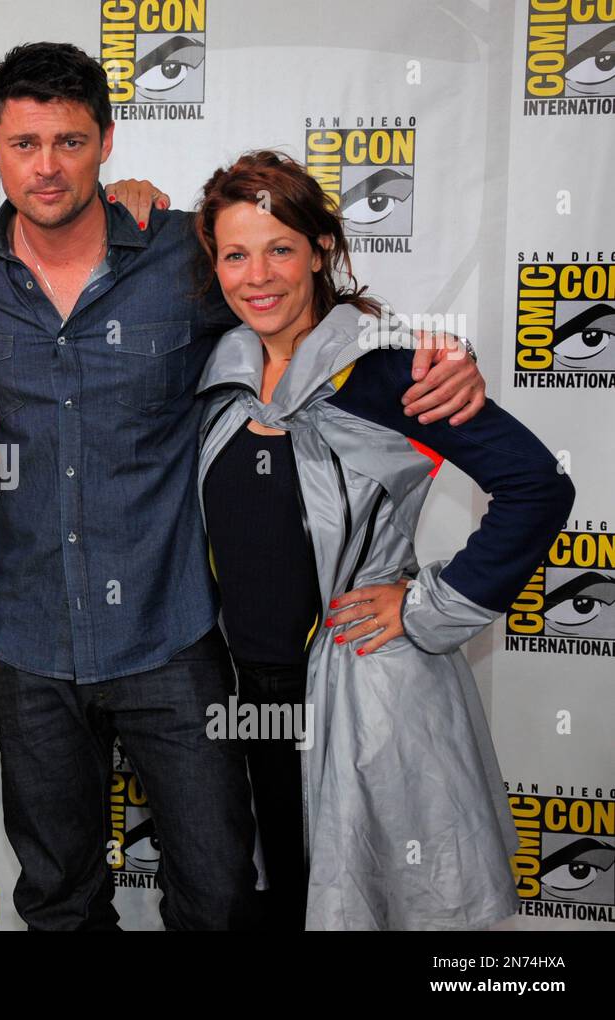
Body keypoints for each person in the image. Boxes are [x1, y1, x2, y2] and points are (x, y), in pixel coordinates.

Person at [0, 43, 490, 930]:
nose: (47, 166)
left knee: (219, 892)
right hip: (31, 643)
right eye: (26, 143)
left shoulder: (185, 254)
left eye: (71, 142)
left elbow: (297, 307)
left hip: (172, 635)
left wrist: (436, 355)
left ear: (108, 142)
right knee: (59, 899)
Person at [194, 149, 575, 929]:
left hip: (366, 690)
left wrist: (427, 606)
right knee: (284, 897)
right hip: (250, 698)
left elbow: (538, 485)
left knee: (374, 904)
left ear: (322, 250)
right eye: (235, 253)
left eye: (280, 249)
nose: (257, 275)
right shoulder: (222, 370)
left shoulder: (387, 371)